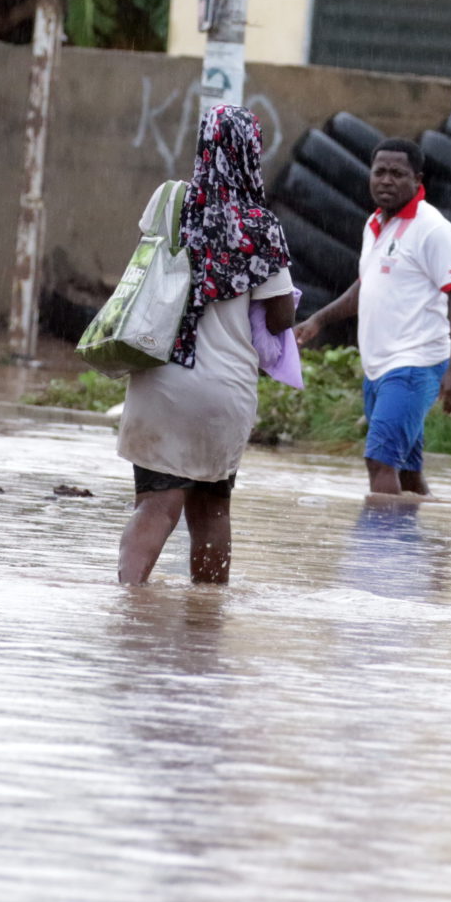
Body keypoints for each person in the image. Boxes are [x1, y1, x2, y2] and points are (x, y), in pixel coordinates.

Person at [115, 104, 295, 585]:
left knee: (155, 506)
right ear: (252, 151)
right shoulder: (261, 227)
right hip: (223, 389)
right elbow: (281, 317)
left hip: (159, 376)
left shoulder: (169, 200)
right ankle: (207, 613)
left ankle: (129, 601)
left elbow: (148, 265)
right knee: (212, 510)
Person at [293, 138, 451, 497]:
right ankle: (426, 532)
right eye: (380, 172)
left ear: (417, 180)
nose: (386, 180)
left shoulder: (433, 229)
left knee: (379, 462)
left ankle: (378, 536)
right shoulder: (375, 223)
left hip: (414, 365)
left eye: (397, 174)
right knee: (407, 473)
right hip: (378, 367)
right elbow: (367, 285)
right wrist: (319, 320)